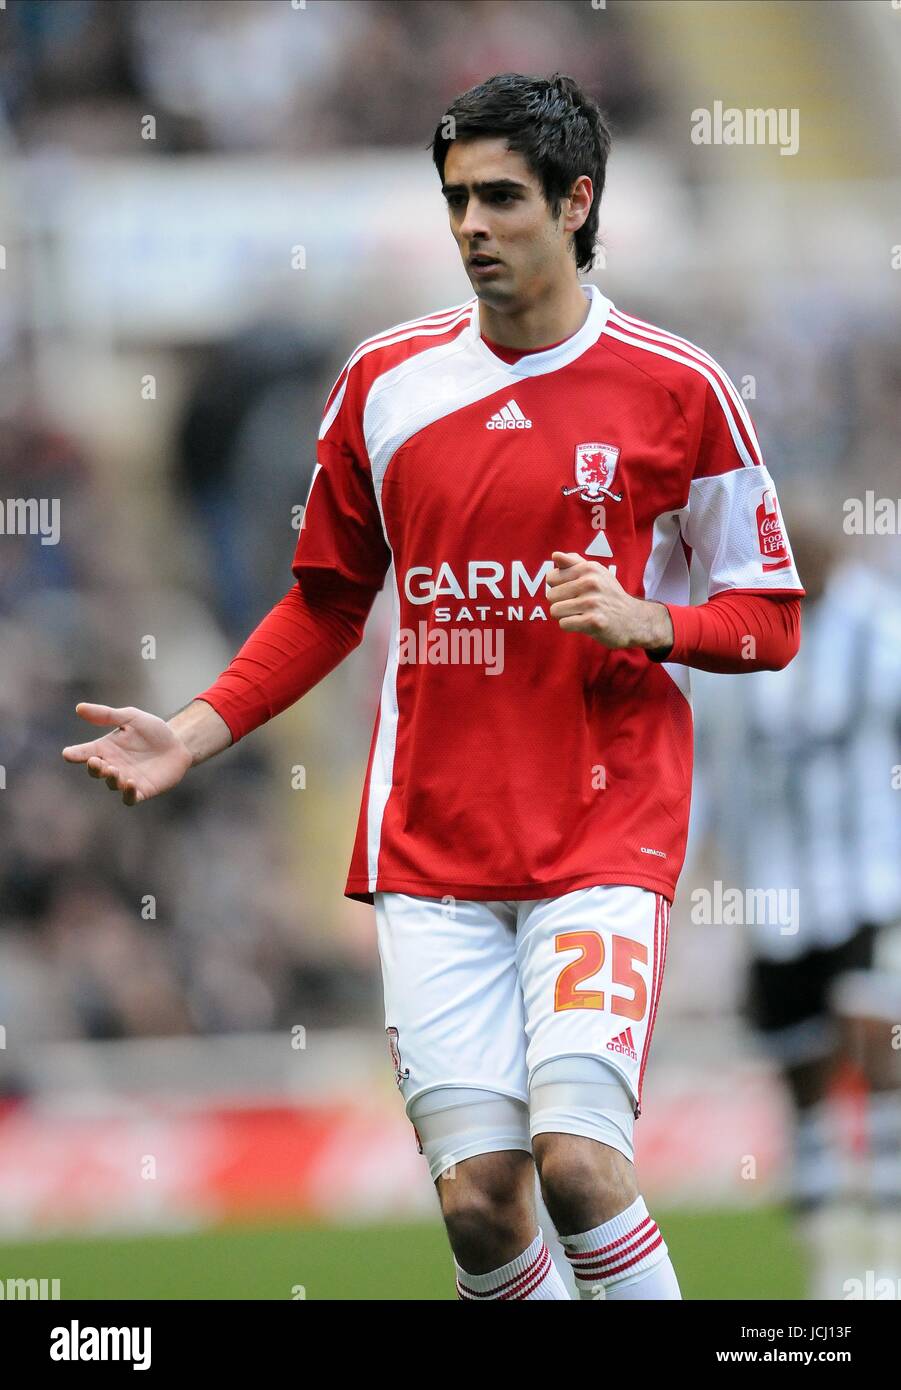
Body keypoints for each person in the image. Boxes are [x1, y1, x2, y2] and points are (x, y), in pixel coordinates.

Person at [62, 72, 803, 1301]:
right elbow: (326, 600)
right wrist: (195, 730)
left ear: (575, 204)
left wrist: (651, 621)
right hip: (433, 846)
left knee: (574, 1161)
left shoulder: (678, 390)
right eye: (457, 198)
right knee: (476, 1203)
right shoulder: (385, 385)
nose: (472, 225)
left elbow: (770, 616)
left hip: (602, 834)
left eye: (502, 198)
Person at [693, 510, 901, 1298]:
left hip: (868, 885)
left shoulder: (874, 627)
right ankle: (831, 1268)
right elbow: (705, 765)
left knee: (874, 1047)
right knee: (802, 1084)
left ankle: (883, 1257)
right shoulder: (732, 640)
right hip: (772, 900)